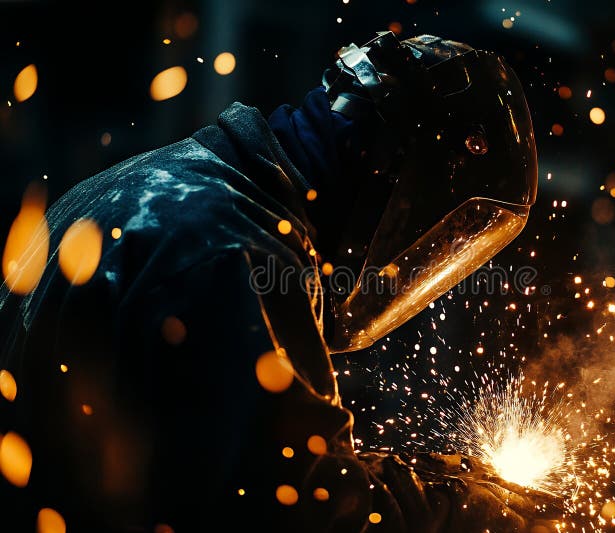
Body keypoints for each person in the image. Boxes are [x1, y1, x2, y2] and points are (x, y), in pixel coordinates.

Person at [0, 32, 552, 532]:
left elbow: (229, 455)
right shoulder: (227, 251)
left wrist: (428, 482)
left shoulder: (162, 183)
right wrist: (471, 510)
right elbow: (298, 509)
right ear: (398, 173)